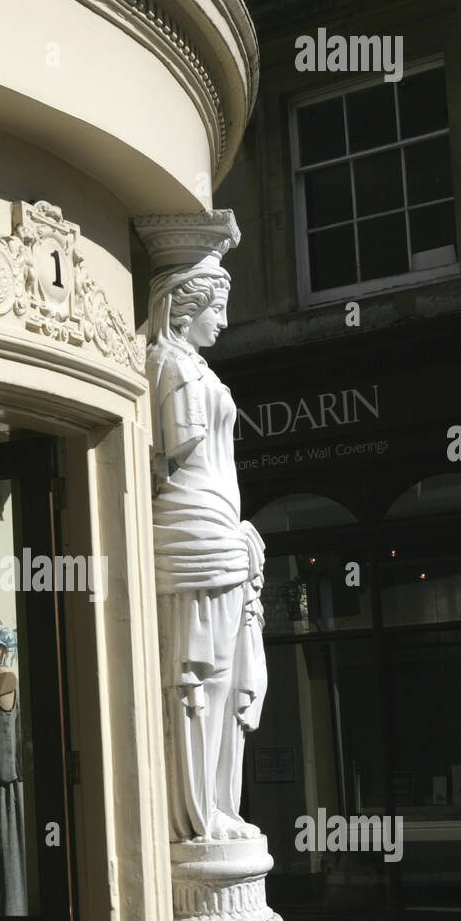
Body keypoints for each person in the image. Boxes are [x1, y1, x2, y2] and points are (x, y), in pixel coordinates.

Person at [149, 255, 267, 844]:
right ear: (184, 307)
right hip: (192, 531)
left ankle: (220, 807)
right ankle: (197, 816)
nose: (223, 321)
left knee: (222, 674)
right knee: (196, 680)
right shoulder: (171, 364)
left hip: (218, 531)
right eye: (216, 308)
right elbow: (165, 461)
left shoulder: (194, 366)